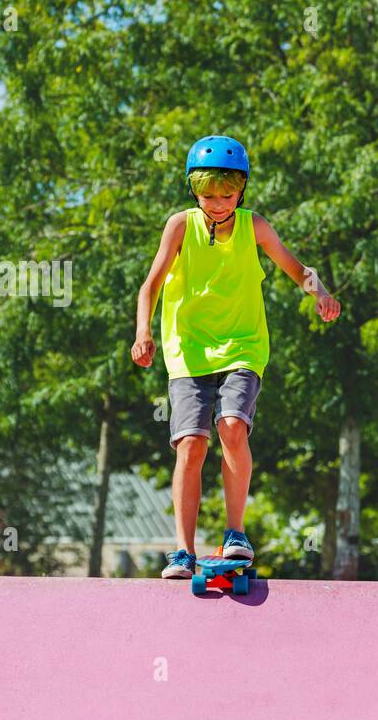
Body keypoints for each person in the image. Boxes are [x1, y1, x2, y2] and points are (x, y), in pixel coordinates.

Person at [131, 135, 341, 578]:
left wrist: (320, 293)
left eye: (227, 195)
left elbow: (297, 269)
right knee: (190, 445)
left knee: (231, 427)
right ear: (194, 190)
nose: (218, 203)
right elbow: (149, 285)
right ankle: (183, 551)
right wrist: (143, 332)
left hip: (243, 346)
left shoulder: (254, 225)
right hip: (187, 351)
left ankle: (235, 533)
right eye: (208, 195)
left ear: (241, 189)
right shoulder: (180, 226)